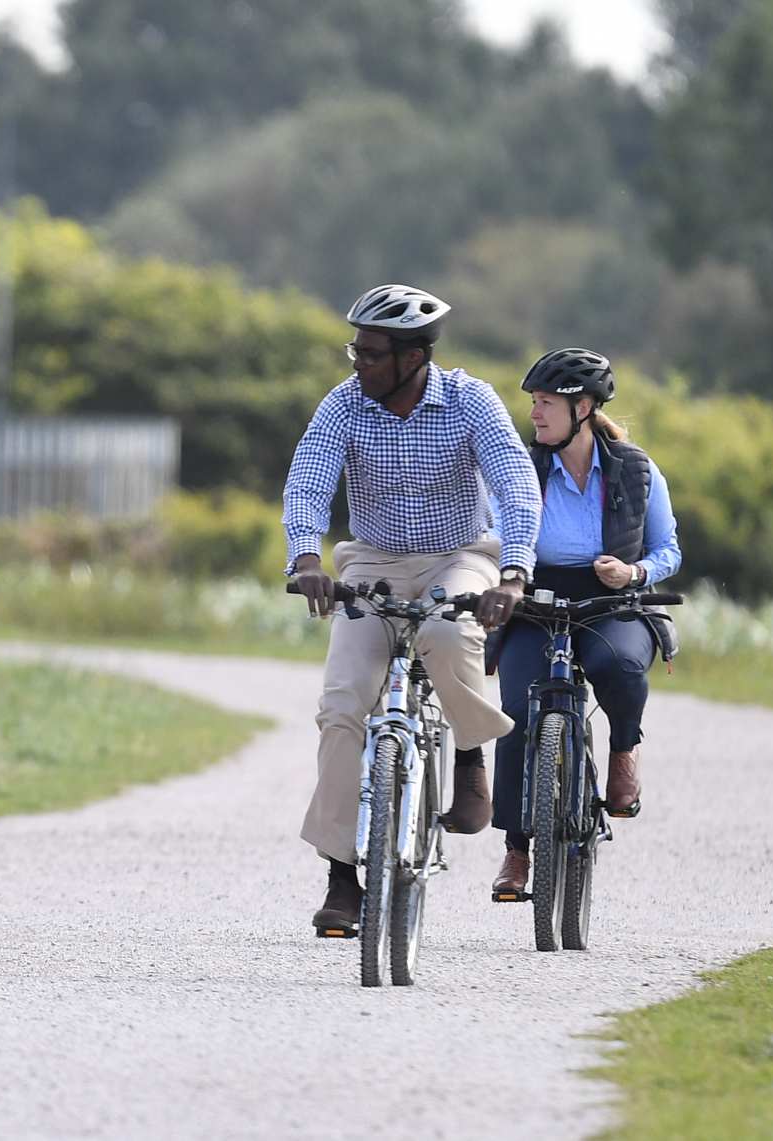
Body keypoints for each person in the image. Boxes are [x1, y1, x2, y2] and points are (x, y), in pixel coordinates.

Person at [284, 283, 542, 936]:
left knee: (447, 636)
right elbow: (308, 480)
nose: (358, 364)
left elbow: (516, 485)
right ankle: (341, 876)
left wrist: (514, 574)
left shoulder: (469, 400)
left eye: (371, 354)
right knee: (343, 703)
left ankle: (470, 757)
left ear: (414, 357)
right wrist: (306, 559)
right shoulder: (344, 404)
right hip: (372, 560)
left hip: (461, 555)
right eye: (356, 350)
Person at [488, 348, 681, 898]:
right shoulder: (522, 468)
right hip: (535, 601)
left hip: (611, 601)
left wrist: (634, 572)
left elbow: (668, 549)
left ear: (583, 408)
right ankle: (517, 849)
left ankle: (623, 751)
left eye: (546, 402)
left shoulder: (636, 470)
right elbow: (495, 531)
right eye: (534, 402)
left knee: (620, 666)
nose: (534, 413)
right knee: (518, 711)